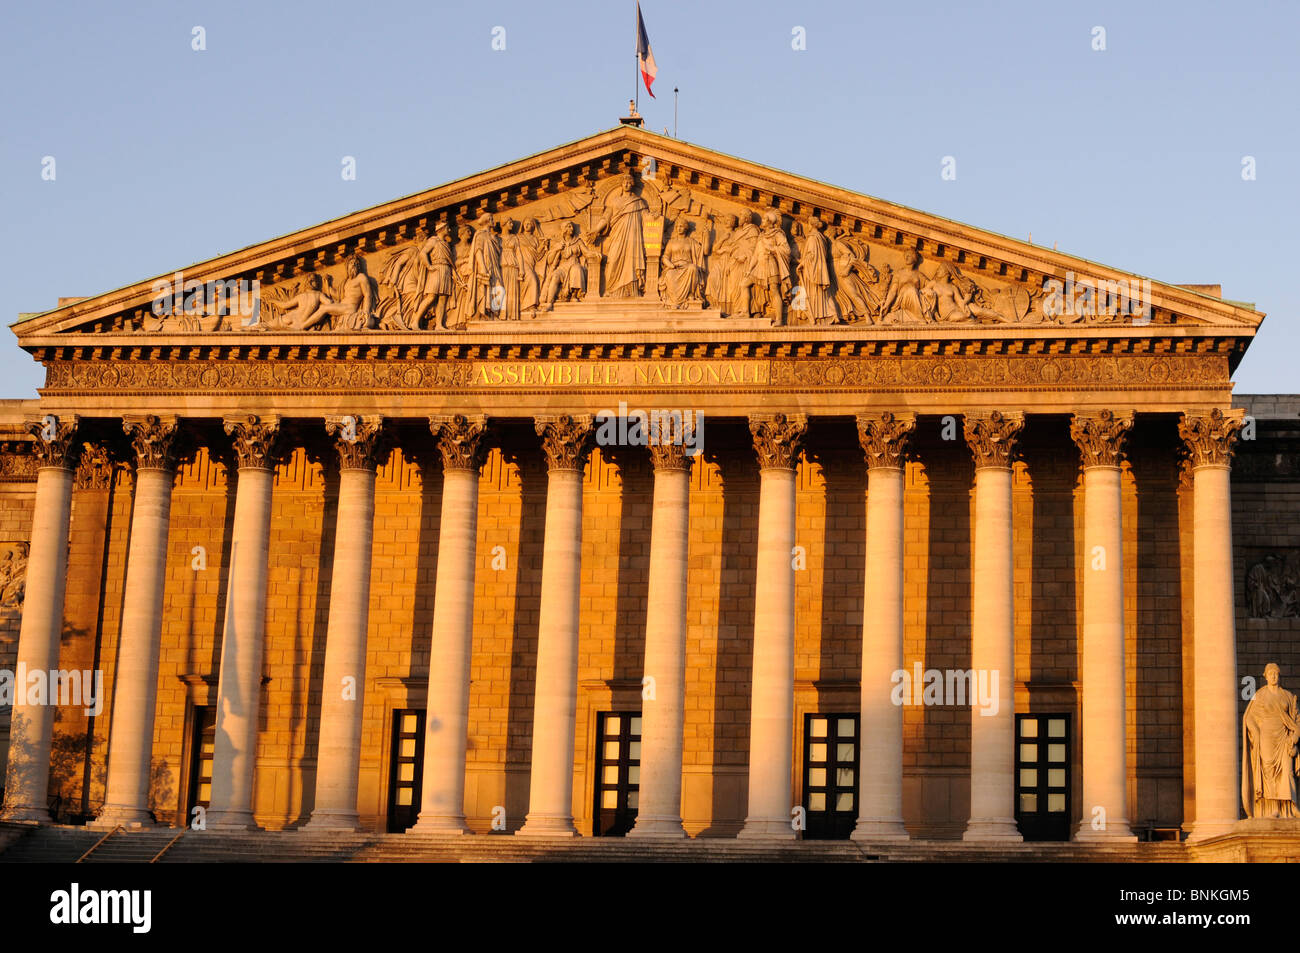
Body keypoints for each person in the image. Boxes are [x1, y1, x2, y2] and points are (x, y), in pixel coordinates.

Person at [1242, 662, 1300, 818]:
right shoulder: (1260, 695)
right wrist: (1256, 732)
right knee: (1269, 771)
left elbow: (1297, 719)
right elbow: (1249, 718)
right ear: (1265, 676)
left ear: (1279, 676)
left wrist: (1295, 735)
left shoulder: (1288, 696)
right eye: (1270, 673)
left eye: (1276, 673)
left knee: (1287, 772)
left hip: (1284, 737)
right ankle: (1273, 807)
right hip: (1266, 736)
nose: (1273, 676)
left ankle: (1291, 806)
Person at [602, 173, 648, 298]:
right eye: (624, 183)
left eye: (629, 182)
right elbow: (606, 218)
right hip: (617, 235)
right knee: (613, 259)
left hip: (634, 236)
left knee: (632, 261)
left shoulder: (639, 202)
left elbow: (647, 219)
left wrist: (655, 217)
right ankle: (611, 289)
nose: (626, 184)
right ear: (621, 185)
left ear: (632, 184)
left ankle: (632, 291)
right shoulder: (615, 201)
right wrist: (596, 230)